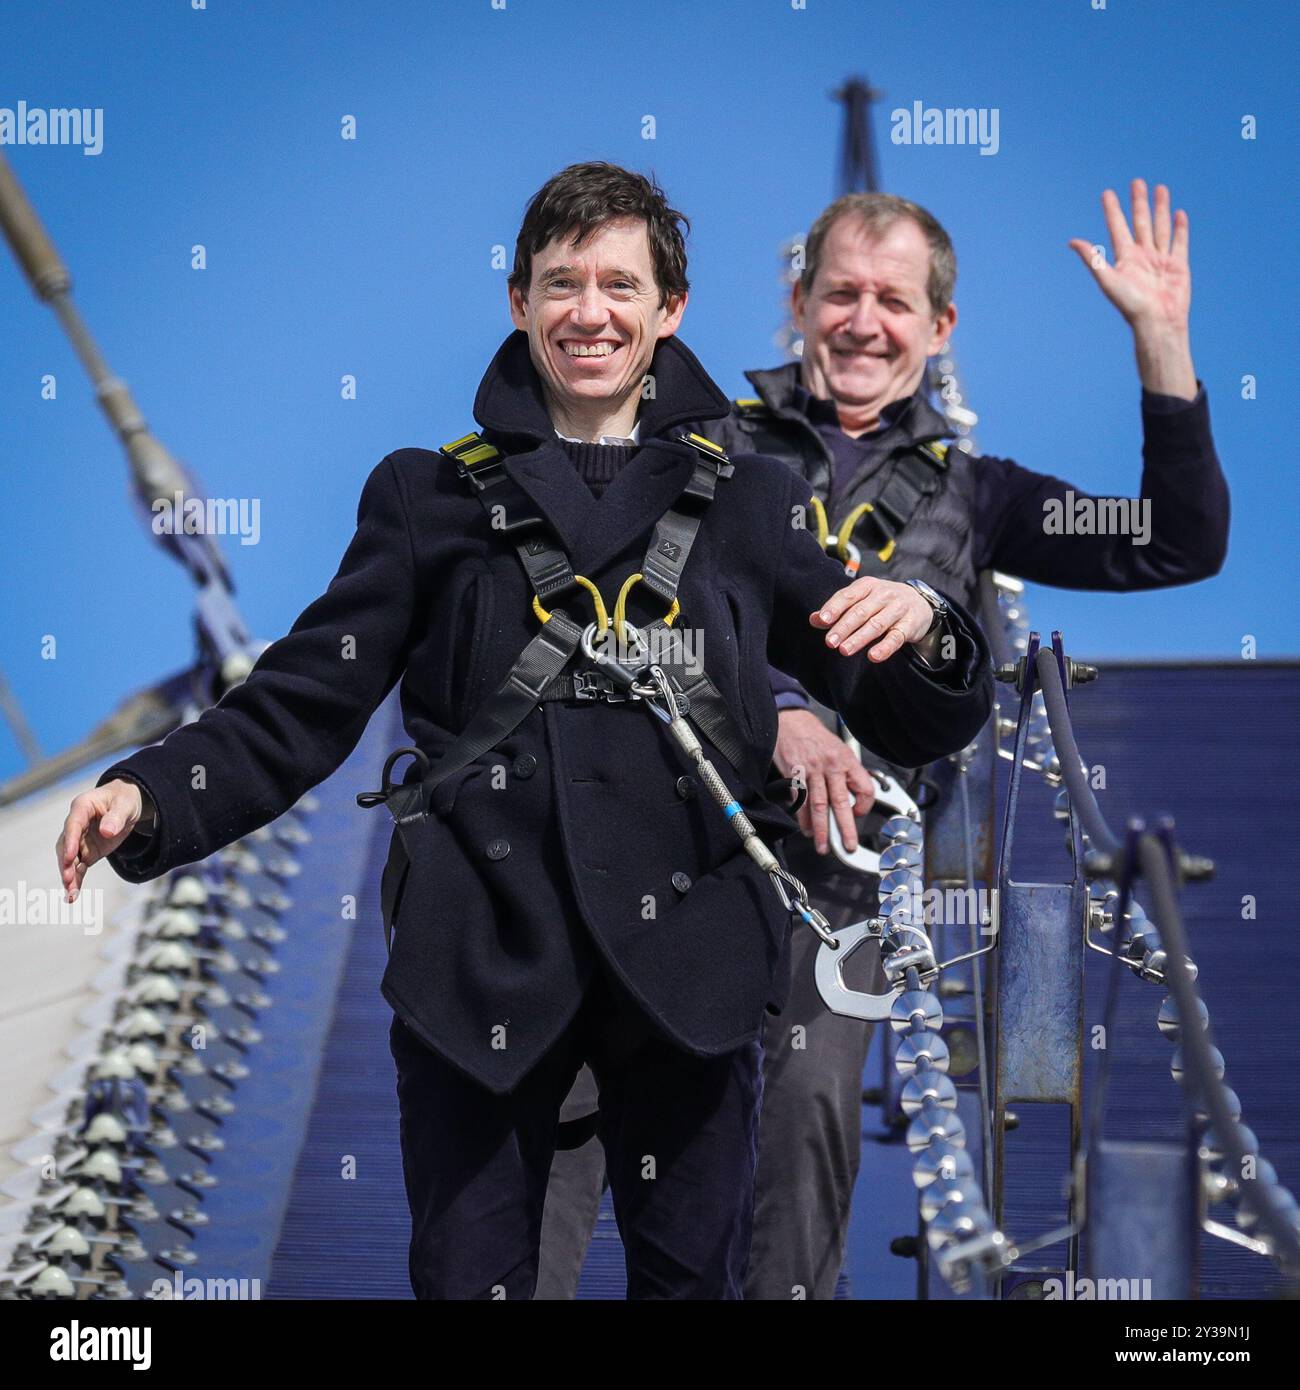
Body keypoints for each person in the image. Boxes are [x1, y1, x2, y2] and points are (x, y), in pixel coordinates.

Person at [55, 162, 994, 1300]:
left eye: (617, 285)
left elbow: (891, 691)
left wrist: (931, 626)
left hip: (691, 963)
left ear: (668, 311)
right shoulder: (427, 497)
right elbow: (305, 696)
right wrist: (153, 793)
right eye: (560, 283)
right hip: (481, 957)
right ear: (518, 301)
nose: (588, 313)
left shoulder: (749, 503)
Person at [537, 181, 1229, 1300]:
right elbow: (635, 593)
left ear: (937, 328)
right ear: (799, 303)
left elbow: (1176, 544)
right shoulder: (697, 436)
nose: (865, 321)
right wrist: (784, 709)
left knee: (807, 1108)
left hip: (847, 872)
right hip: (668, 833)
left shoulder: (981, 494)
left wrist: (1161, 342)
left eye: (894, 301)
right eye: (841, 293)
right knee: (580, 1104)